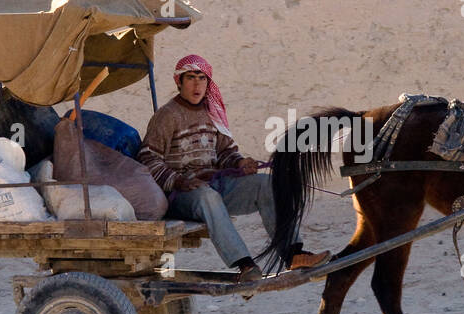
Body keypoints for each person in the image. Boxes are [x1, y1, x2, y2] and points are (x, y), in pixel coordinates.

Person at [138, 54, 330, 282]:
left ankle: (292, 254)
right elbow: (148, 159)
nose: (197, 84)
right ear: (178, 81)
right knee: (207, 197)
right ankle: (245, 265)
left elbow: (225, 152)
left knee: (266, 184)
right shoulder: (167, 116)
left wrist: (240, 163)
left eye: (202, 78)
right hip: (181, 194)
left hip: (215, 185)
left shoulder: (212, 112)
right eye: (190, 78)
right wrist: (179, 181)